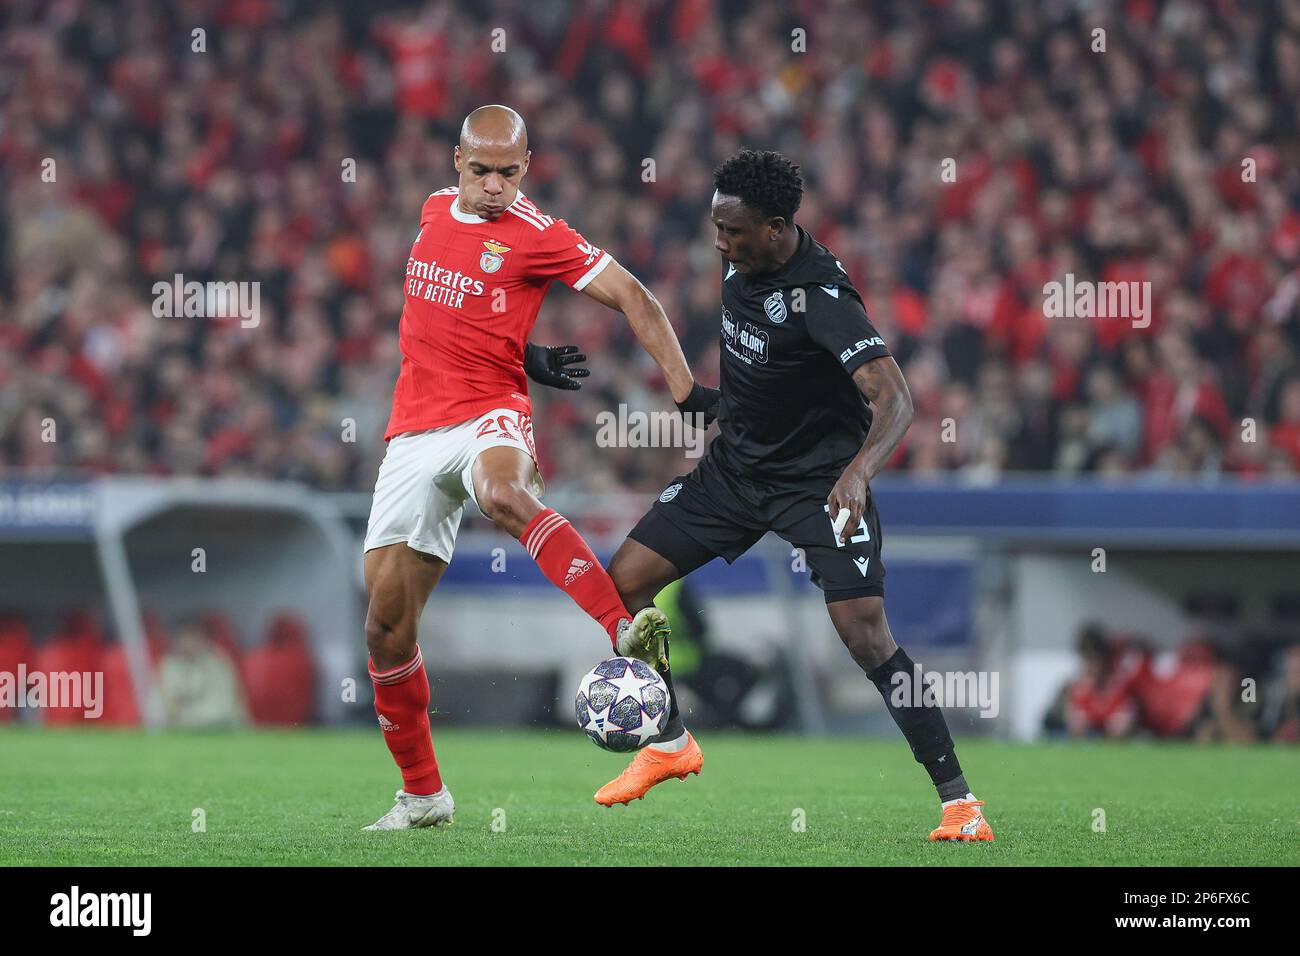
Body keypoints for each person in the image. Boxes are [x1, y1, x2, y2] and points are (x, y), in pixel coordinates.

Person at [584, 149, 994, 841]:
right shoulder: (743, 256)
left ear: (776, 229)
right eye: (716, 229)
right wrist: (692, 395)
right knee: (622, 584)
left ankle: (960, 803)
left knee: (865, 634)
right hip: (735, 473)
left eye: (733, 232)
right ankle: (671, 744)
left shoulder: (823, 300)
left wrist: (859, 471)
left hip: (819, 484)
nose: (719, 243)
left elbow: (895, 400)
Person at [360, 105, 713, 830]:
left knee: (502, 490)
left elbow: (634, 297)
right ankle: (424, 795)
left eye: (510, 172)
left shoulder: (539, 234)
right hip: (413, 431)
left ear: (528, 166)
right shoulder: (430, 214)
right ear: (456, 161)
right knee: (386, 631)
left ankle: (619, 626)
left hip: (490, 414)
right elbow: (446, 317)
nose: (495, 185)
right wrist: (527, 351)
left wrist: (685, 391)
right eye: (482, 170)